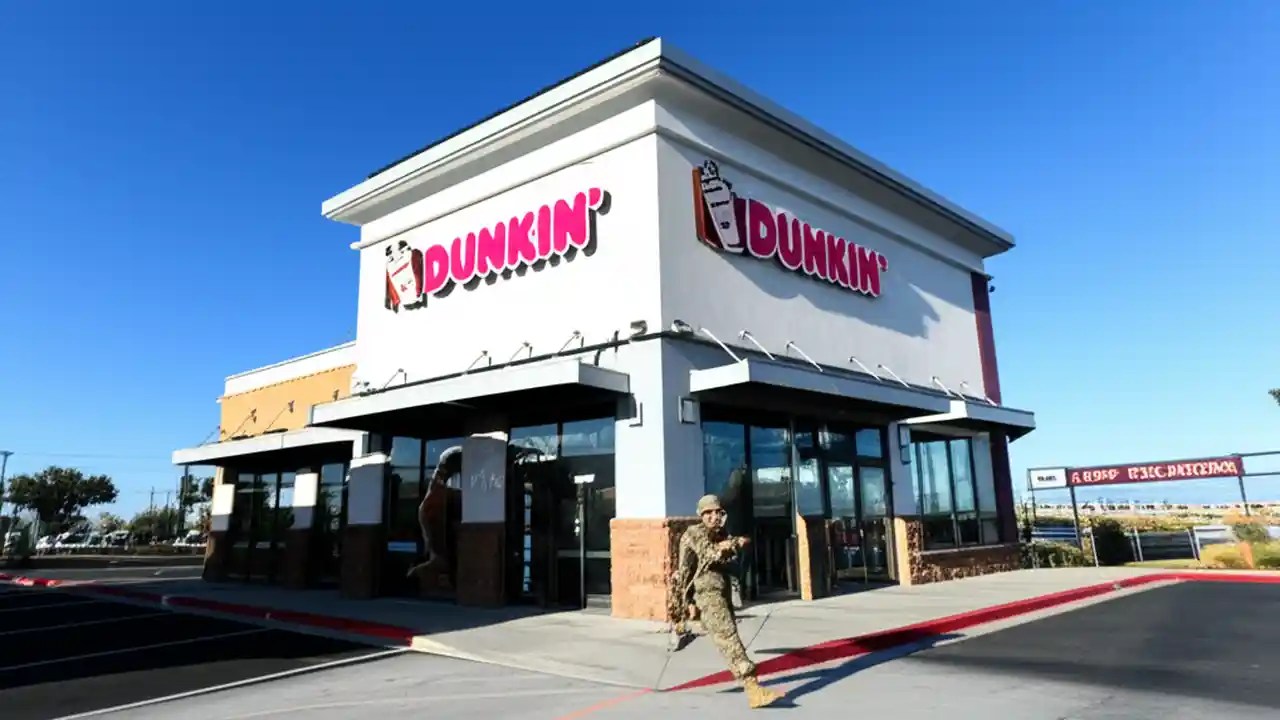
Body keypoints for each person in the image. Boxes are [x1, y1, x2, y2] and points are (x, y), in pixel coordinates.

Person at [670, 494, 783, 709]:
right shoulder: (694, 533)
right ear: (700, 515)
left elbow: (728, 559)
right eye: (708, 513)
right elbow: (710, 554)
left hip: (722, 590)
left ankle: (688, 627)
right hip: (706, 594)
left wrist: (732, 546)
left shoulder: (721, 534)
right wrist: (734, 543)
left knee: (723, 632)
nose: (714, 517)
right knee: (728, 636)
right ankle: (753, 688)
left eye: (718, 512)